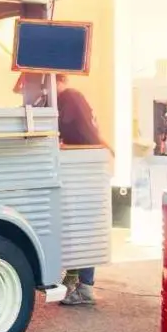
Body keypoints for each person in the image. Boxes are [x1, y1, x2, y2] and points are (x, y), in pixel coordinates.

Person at [55, 73, 111, 306]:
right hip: (92, 163)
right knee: (81, 224)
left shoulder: (66, 98)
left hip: (84, 167)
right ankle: (75, 277)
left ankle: (85, 287)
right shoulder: (75, 96)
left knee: (81, 225)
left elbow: (61, 132)